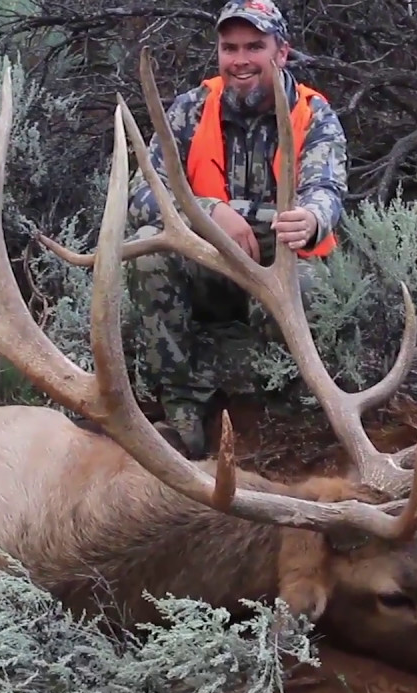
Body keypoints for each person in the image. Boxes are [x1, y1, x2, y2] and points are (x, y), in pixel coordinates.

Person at [125, 0, 349, 459]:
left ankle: (281, 420)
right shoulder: (190, 109)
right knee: (144, 248)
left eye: (254, 47)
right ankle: (184, 412)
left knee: (313, 290)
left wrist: (310, 218)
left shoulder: (314, 114)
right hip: (213, 261)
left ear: (281, 52)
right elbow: (143, 193)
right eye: (230, 48)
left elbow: (326, 188)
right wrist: (210, 211)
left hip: (282, 263)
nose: (240, 60)